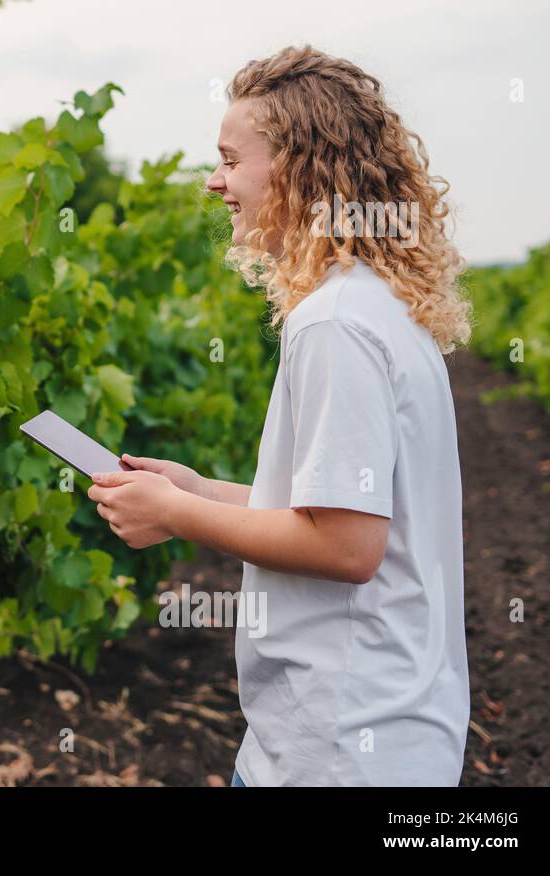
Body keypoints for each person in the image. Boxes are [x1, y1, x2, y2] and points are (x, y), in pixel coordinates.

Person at [89, 45, 472, 786]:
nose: (214, 181)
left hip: (340, 747)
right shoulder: (375, 305)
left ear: (299, 170)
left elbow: (346, 547)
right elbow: (341, 508)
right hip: (373, 734)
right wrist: (198, 489)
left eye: (231, 160)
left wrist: (175, 514)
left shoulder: (334, 322)